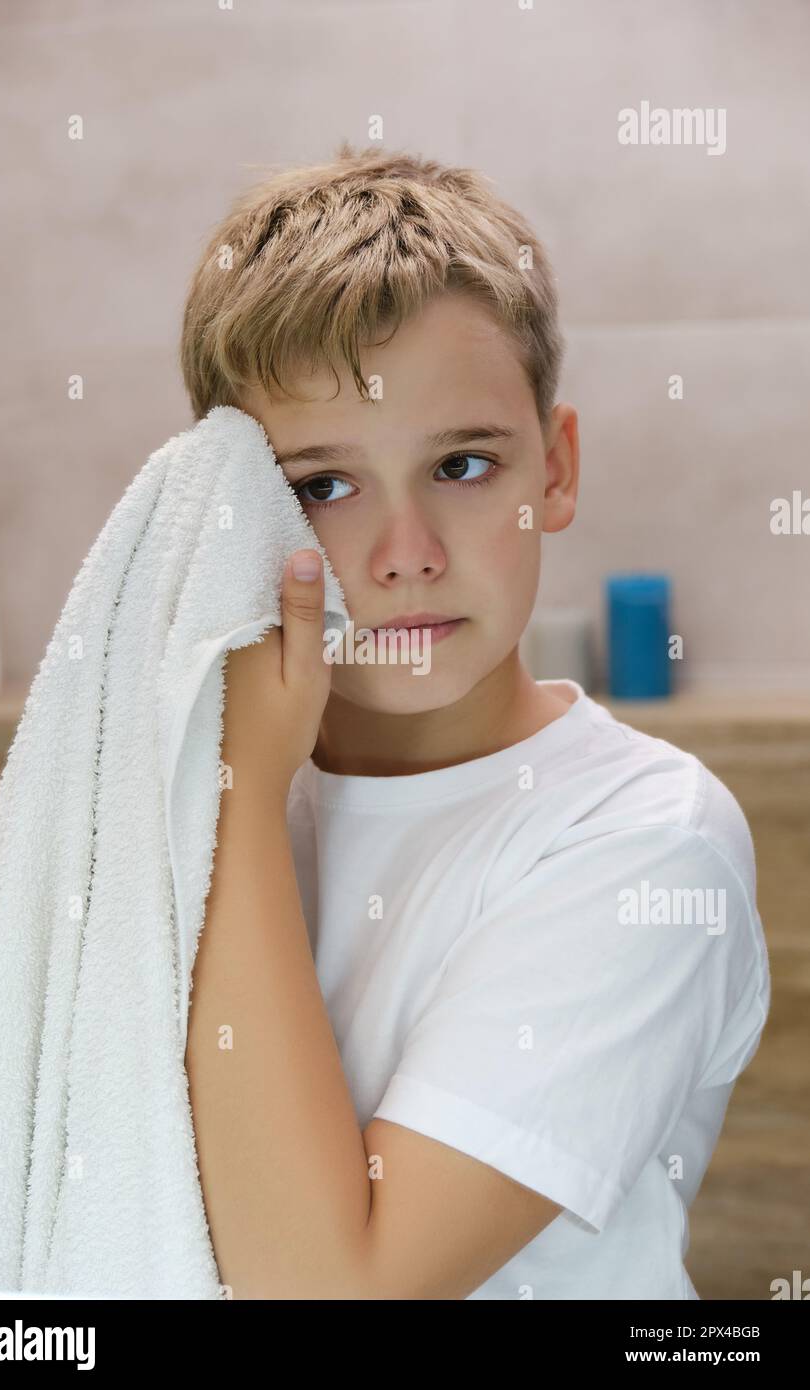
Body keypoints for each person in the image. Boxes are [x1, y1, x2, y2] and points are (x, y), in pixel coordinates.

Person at [180, 142, 770, 1300]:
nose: (406, 558)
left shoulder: (643, 840)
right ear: (227, 509)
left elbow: (336, 1294)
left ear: (551, 469)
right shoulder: (179, 784)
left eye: (459, 463)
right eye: (323, 486)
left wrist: (245, 794)